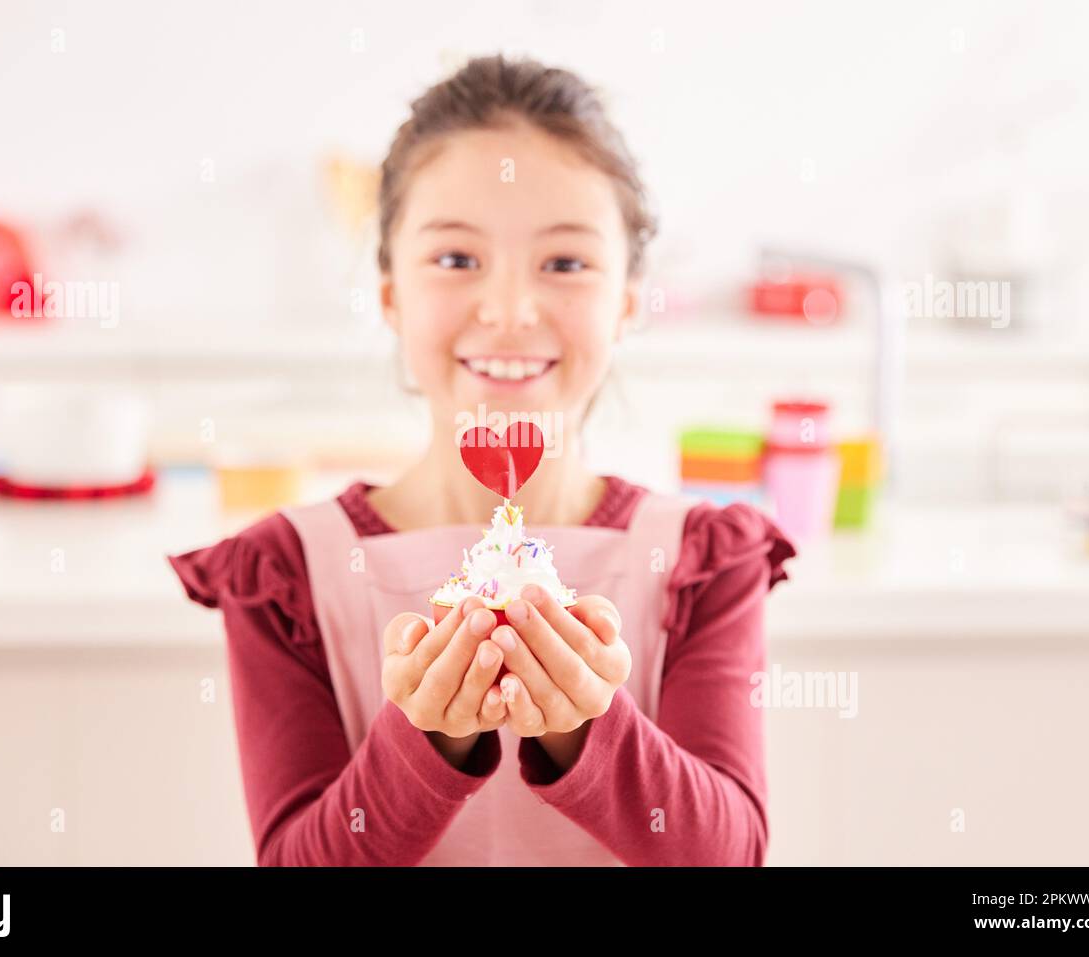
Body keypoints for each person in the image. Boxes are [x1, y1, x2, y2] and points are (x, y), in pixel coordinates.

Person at [168, 53, 796, 866]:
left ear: (629, 301)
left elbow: (728, 855)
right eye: (457, 260)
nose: (507, 311)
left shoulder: (699, 564)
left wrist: (583, 724)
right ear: (391, 294)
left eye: (565, 263)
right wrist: (424, 739)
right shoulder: (288, 579)